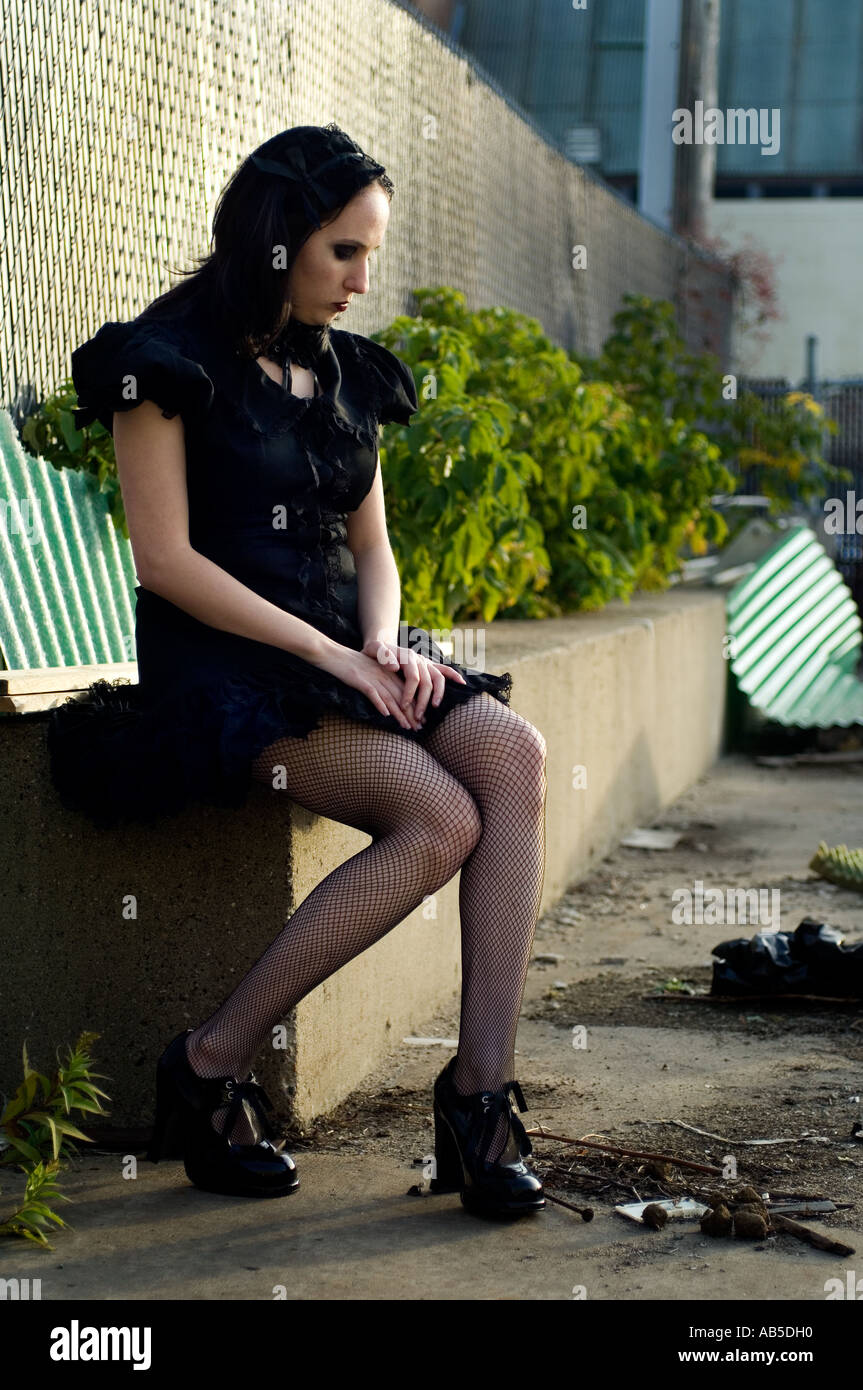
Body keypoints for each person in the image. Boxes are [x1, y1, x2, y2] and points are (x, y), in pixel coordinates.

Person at [48, 123, 548, 1218]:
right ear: (277, 239)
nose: (364, 281)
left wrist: (381, 642)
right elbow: (166, 560)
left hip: (340, 656)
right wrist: (334, 657)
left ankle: (476, 1098)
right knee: (437, 816)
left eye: (372, 255)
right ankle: (211, 1059)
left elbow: (373, 548)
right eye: (344, 253)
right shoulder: (163, 359)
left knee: (510, 753)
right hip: (229, 671)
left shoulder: (338, 370)